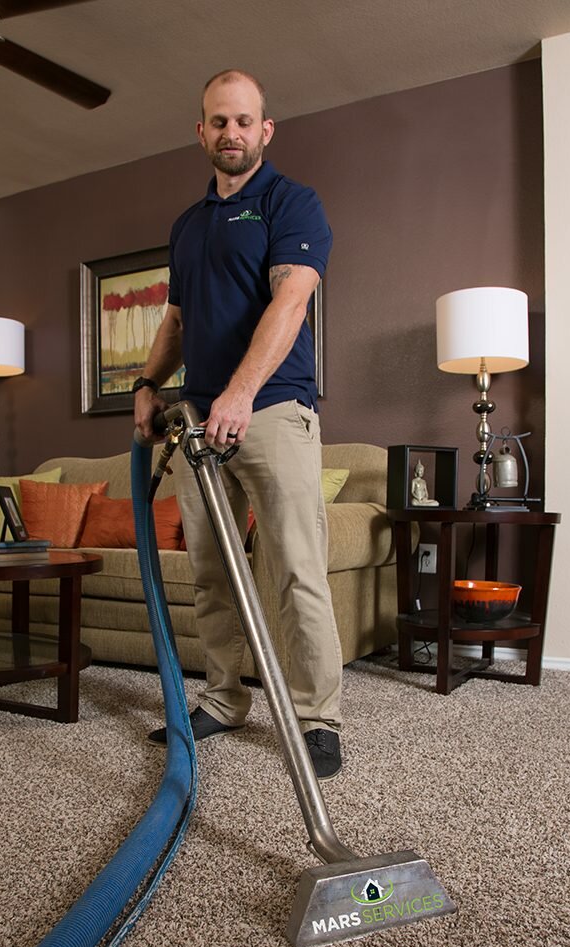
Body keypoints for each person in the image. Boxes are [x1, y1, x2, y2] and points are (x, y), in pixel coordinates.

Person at [134, 69, 342, 780]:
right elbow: (178, 320)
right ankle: (224, 700)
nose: (232, 133)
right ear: (201, 132)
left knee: (295, 568)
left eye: (244, 121)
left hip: (274, 409)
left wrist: (240, 393)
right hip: (196, 419)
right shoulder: (188, 226)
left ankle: (316, 717)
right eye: (218, 121)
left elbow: (290, 303)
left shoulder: (292, 203)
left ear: (265, 130)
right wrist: (146, 383)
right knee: (209, 571)